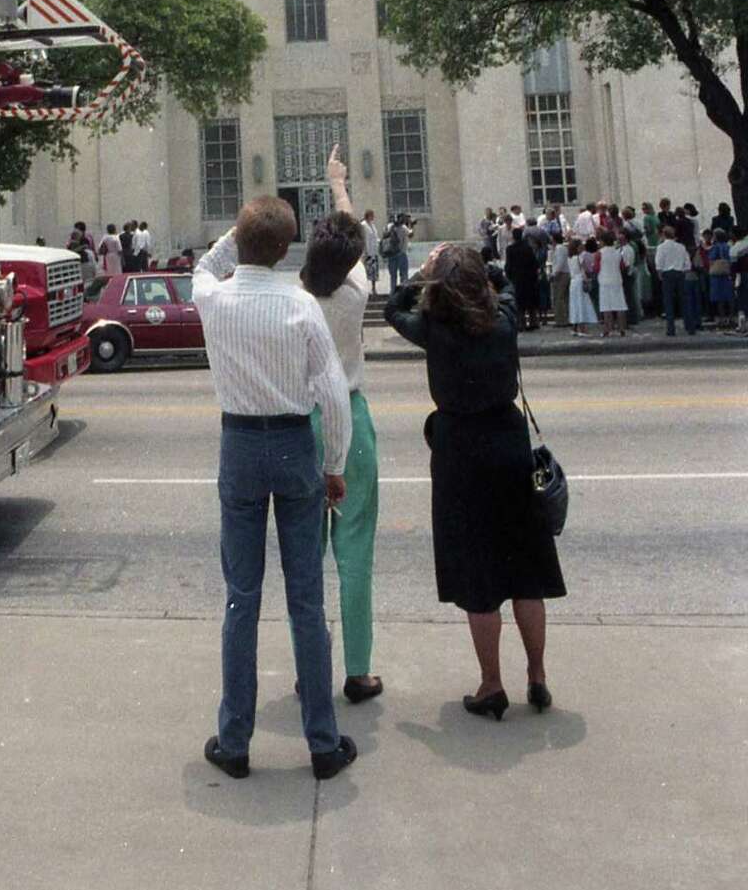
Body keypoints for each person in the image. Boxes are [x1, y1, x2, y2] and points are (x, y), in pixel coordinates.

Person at [195, 197, 358, 781]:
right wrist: (334, 463)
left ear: (237, 241)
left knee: (242, 597)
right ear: (288, 249)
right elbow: (334, 394)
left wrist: (233, 240)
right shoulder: (301, 305)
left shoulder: (214, 299)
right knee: (307, 602)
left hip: (239, 443)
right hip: (294, 444)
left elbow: (204, 269)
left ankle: (235, 740)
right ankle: (322, 741)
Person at [385, 244, 565, 718]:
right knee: (527, 573)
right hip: (508, 443)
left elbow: (392, 308)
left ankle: (491, 683)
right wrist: (481, 271)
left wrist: (422, 275)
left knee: (478, 576)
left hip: (460, 451)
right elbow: (505, 287)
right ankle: (538, 675)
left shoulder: (433, 329)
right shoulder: (504, 321)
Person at [299, 148, 382, 704]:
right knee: (355, 554)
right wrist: (338, 185)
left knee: (306, 555)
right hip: (349, 418)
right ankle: (357, 670)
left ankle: (311, 668)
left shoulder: (296, 301)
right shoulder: (358, 293)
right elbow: (355, 241)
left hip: (302, 424)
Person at [655, 226, 691, 336]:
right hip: (680, 273)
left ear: (663, 235)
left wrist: (659, 274)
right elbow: (687, 262)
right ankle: (689, 326)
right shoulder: (681, 247)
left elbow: (659, 262)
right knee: (684, 300)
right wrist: (684, 270)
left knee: (668, 301)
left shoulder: (661, 247)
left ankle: (671, 328)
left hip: (667, 274)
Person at [504, 226, 541, 331]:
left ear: (513, 237)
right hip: (529, 278)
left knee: (519, 302)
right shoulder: (528, 248)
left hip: (517, 279)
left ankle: (521, 323)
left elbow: (508, 265)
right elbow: (534, 263)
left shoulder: (510, 249)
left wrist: (509, 276)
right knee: (530, 301)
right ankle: (533, 322)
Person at [596, 229, 628, 338]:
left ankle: (607, 329)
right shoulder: (618, 252)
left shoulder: (599, 253)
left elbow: (596, 268)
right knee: (619, 305)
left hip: (604, 280)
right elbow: (622, 266)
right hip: (617, 280)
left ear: (603, 241)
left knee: (606, 307)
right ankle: (622, 329)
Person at [567, 236, 598, 336]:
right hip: (580, 281)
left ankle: (574, 327)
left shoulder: (570, 258)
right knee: (582, 304)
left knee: (574, 304)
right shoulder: (579, 258)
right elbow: (584, 271)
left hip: (573, 282)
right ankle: (582, 328)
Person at [707, 228, 736, 328]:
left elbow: (710, 260)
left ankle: (722, 319)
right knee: (729, 297)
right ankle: (731, 317)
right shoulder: (728, 247)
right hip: (727, 273)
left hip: (717, 274)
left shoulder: (715, 247)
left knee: (720, 298)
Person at [549, 234, 571, 329]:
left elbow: (560, 262)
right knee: (564, 298)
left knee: (558, 297)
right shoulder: (563, 248)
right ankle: (567, 318)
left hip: (561, 274)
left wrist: (554, 274)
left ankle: (561, 320)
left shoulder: (559, 248)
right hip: (565, 273)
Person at [361, 209, 380, 295]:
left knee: (374, 271)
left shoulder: (372, 225)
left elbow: (375, 237)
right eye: (372, 215)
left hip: (374, 252)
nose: (373, 217)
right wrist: (366, 252)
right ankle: (363, 289)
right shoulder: (363, 225)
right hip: (367, 253)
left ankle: (373, 288)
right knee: (366, 272)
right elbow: (364, 239)